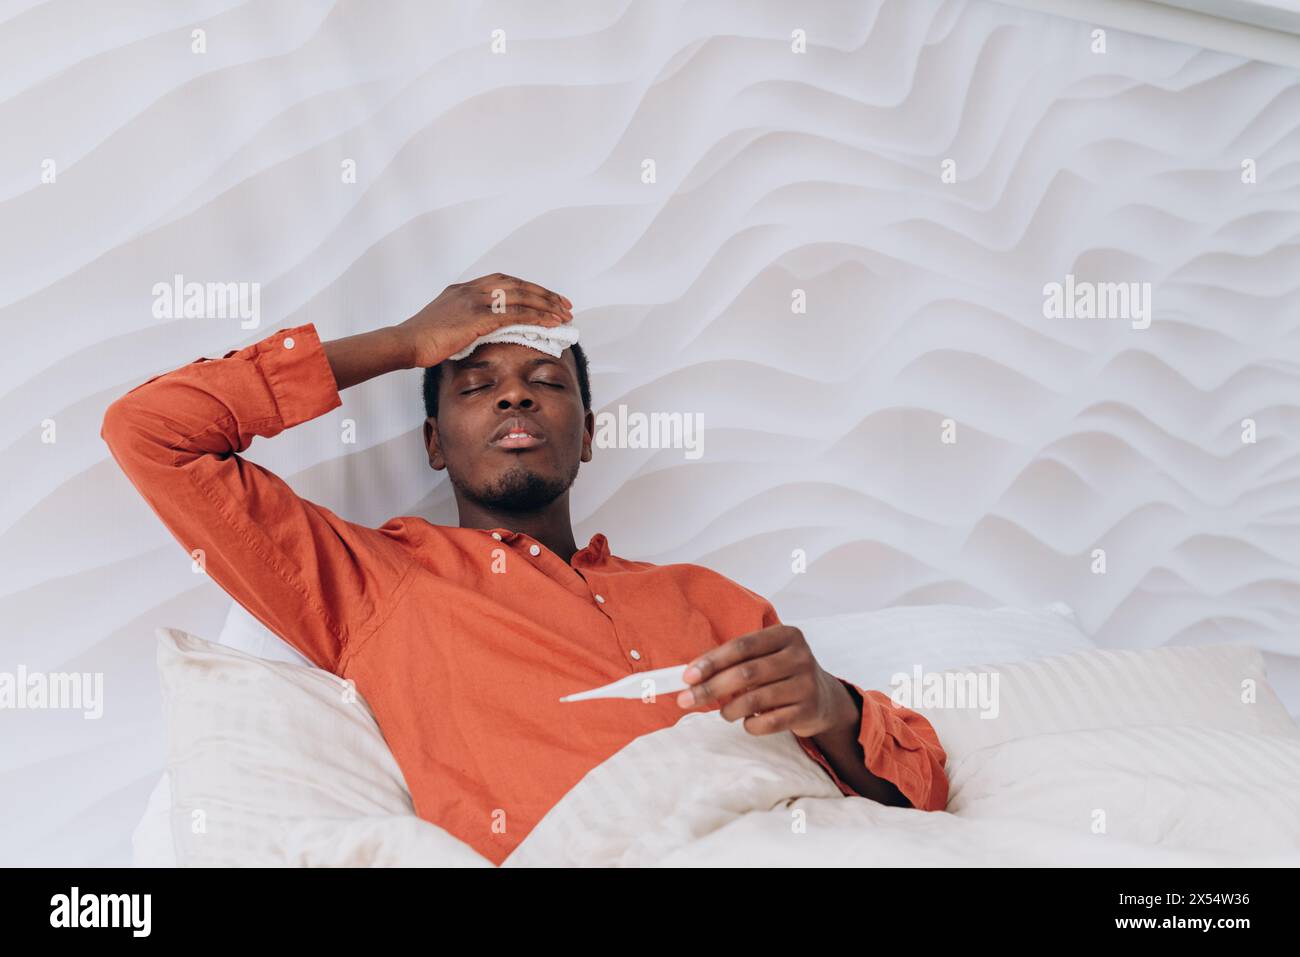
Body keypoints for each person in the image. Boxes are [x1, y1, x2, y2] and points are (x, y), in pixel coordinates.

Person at [101, 273, 949, 865]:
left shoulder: (707, 596)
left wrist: (835, 708)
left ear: (588, 433)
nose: (515, 395)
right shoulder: (374, 582)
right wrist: (401, 344)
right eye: (475, 385)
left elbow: (921, 792)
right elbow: (150, 431)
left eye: (545, 381)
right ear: (434, 443)